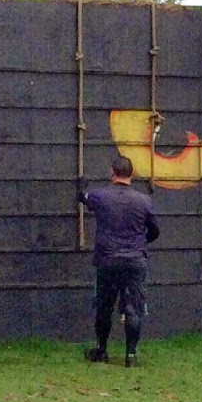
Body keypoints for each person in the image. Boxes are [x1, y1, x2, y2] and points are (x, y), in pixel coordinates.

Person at [77, 155, 161, 367]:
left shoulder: (100, 196)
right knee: (133, 307)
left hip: (107, 259)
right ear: (132, 174)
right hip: (135, 259)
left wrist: (81, 186)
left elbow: (83, 198)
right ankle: (130, 355)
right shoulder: (144, 201)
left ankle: (102, 350)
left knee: (104, 306)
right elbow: (155, 230)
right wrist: (141, 242)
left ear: (112, 173)